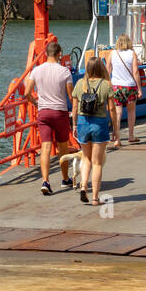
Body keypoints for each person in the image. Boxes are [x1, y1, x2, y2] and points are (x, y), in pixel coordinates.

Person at [23, 40, 74, 197]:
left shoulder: (37, 71)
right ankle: (65, 179)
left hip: (43, 112)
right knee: (63, 147)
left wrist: (35, 102)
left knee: (45, 148)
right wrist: (75, 112)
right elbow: (71, 96)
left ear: (45, 54)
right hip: (59, 112)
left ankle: (45, 182)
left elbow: (26, 93)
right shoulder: (64, 72)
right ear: (59, 55)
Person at [71, 56, 115, 206]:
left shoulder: (79, 84)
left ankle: (83, 186)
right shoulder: (106, 85)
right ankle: (95, 198)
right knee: (97, 163)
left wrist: (74, 126)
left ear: (88, 69)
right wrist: (115, 129)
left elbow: (75, 108)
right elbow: (112, 110)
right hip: (99, 124)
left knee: (86, 158)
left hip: (83, 123)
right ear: (101, 68)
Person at [108, 34, 141, 147]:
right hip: (130, 87)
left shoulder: (112, 53)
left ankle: (117, 139)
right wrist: (139, 88)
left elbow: (108, 71)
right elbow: (136, 72)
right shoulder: (132, 54)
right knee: (131, 111)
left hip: (116, 87)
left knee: (117, 113)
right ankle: (131, 136)